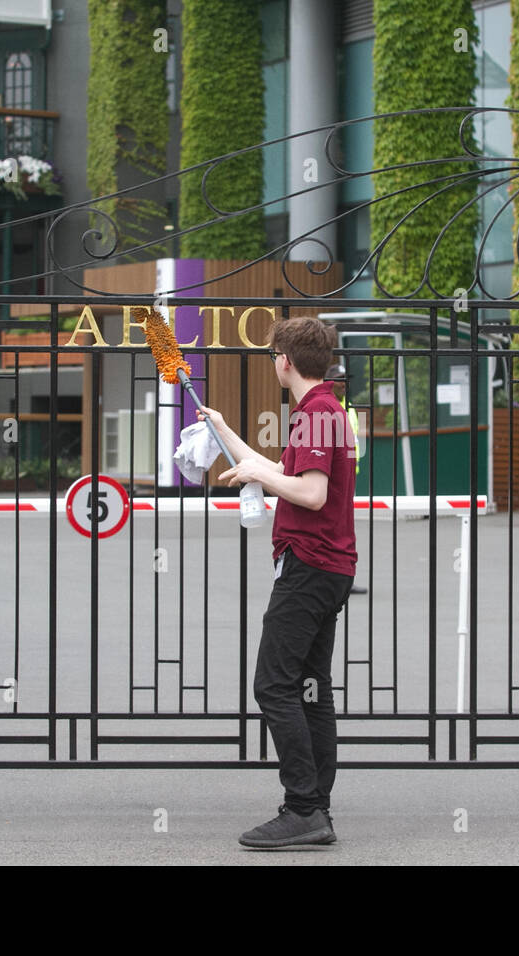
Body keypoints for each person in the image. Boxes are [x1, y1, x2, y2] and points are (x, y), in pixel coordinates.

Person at [196, 316, 356, 848]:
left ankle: (304, 808)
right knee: (310, 688)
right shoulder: (325, 410)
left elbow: (308, 493)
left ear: (285, 361)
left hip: (309, 567)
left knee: (274, 684)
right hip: (327, 566)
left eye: (272, 356)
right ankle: (316, 810)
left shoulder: (316, 414)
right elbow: (287, 475)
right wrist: (223, 429)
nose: (273, 364)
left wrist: (257, 475)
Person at [326, 363, 367, 595]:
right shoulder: (326, 407)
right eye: (340, 379)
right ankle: (332, 577)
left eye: (346, 379)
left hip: (349, 478)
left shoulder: (349, 408)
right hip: (331, 479)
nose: (344, 383)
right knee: (332, 529)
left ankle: (343, 576)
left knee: (344, 530)